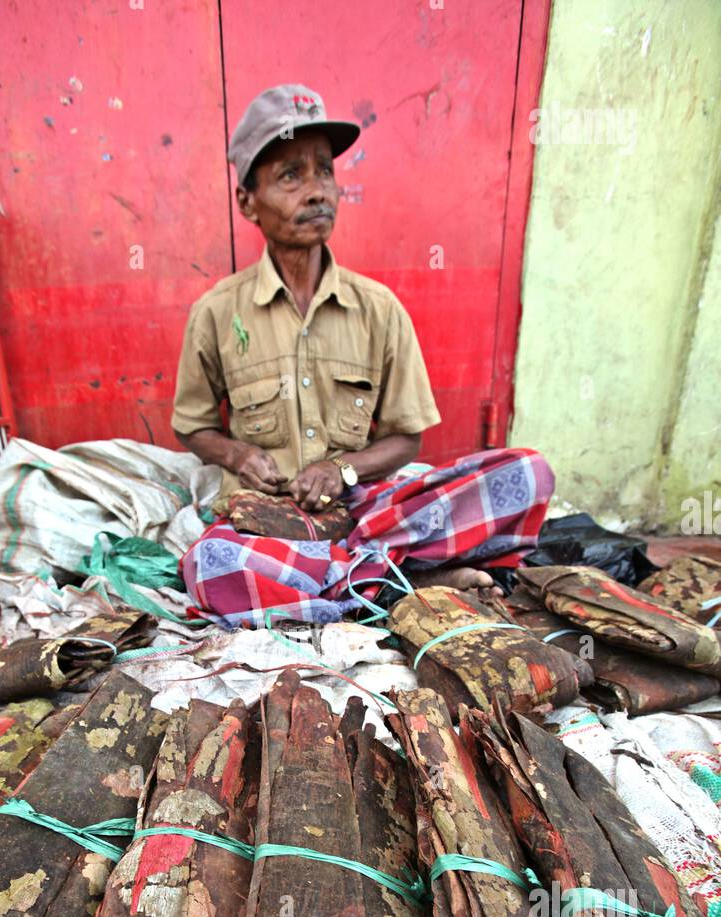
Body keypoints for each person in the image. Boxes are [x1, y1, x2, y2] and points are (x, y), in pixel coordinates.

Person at [173, 84, 553, 626]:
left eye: (324, 172)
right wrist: (235, 455)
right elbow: (192, 427)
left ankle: (346, 578)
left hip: (366, 510)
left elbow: (407, 437)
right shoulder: (215, 313)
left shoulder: (378, 309)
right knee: (211, 565)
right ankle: (395, 581)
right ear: (246, 201)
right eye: (290, 176)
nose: (317, 192)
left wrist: (341, 468)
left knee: (527, 474)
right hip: (271, 520)